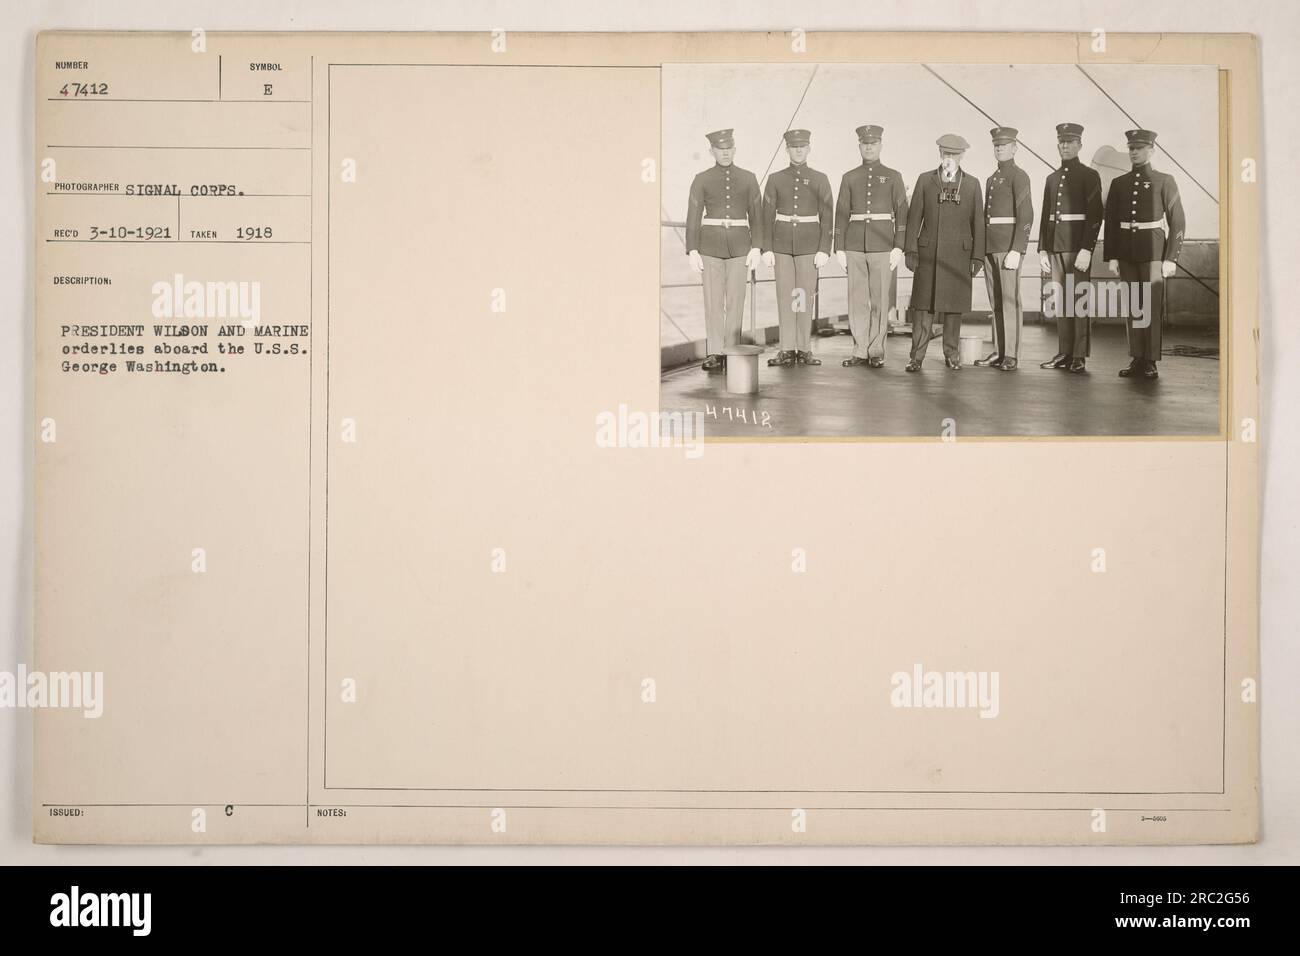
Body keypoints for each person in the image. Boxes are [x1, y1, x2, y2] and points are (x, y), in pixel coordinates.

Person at [1104, 129, 1186, 380]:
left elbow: (1178, 221)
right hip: (1126, 253)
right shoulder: (1119, 184)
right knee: (1133, 306)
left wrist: (1171, 257)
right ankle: (1137, 357)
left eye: (1139, 148)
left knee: (1150, 306)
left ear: (1151, 150)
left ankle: (1150, 360)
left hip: (1153, 252)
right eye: (1131, 148)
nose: (1134, 152)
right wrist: (1113, 256)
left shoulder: (1165, 180)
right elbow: (1112, 222)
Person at [903, 134, 985, 372]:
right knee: (922, 309)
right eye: (945, 153)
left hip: (959, 257)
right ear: (939, 153)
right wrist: (911, 250)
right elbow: (914, 218)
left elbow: (978, 223)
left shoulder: (971, 184)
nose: (949, 158)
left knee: (953, 309)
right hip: (928, 256)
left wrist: (977, 256)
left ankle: (952, 354)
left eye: (954, 154)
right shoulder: (925, 180)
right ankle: (916, 357)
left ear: (962, 156)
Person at [684, 129, 762, 373]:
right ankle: (716, 352)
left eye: (729, 148)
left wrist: (757, 246)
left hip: (740, 246)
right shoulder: (701, 178)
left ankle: (731, 350)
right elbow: (693, 216)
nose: (725, 152)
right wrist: (692, 250)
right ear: (712, 151)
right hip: (709, 247)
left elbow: (757, 216)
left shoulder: (749, 178)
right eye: (720, 149)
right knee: (713, 301)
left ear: (735, 149)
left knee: (736, 301)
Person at [833, 125, 908, 368]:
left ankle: (876, 350)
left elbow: (902, 214)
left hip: (882, 245)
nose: (869, 147)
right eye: (865, 143)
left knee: (879, 300)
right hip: (854, 245)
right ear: (859, 146)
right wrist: (840, 248)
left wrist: (899, 246)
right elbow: (842, 213)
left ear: (881, 145)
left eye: (873, 143)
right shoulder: (849, 177)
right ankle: (860, 350)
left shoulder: (893, 176)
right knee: (856, 300)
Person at [761, 129, 834, 367]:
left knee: (802, 296)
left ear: (809, 148)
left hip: (808, 245)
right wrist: (767, 248)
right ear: (787, 150)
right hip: (781, 244)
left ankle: (803, 348)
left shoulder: (820, 178)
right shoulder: (775, 178)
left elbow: (827, 215)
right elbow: (766, 216)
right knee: (785, 296)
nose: (799, 150)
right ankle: (786, 349)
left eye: (803, 146)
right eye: (794, 147)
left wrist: (824, 248)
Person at [1037, 123, 1104, 373]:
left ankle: (1078, 355)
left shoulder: (1089, 176)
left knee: (1079, 301)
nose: (1065, 146)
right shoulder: (1051, 179)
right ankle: (1064, 352)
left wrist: (1087, 248)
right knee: (1060, 301)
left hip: (1078, 248)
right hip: (1055, 247)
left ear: (1079, 145)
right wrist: (1043, 249)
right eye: (1061, 142)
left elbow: (1096, 214)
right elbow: (1046, 216)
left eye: (1070, 142)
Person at [976, 127, 1033, 371]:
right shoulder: (992, 179)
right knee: (996, 301)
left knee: (1010, 300)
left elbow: (1026, 214)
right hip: (991, 246)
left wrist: (1017, 249)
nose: (999, 148)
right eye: (996, 145)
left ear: (1014, 148)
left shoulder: (1019, 176)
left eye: (1004, 145)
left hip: (1008, 247)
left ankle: (1011, 354)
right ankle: (999, 351)